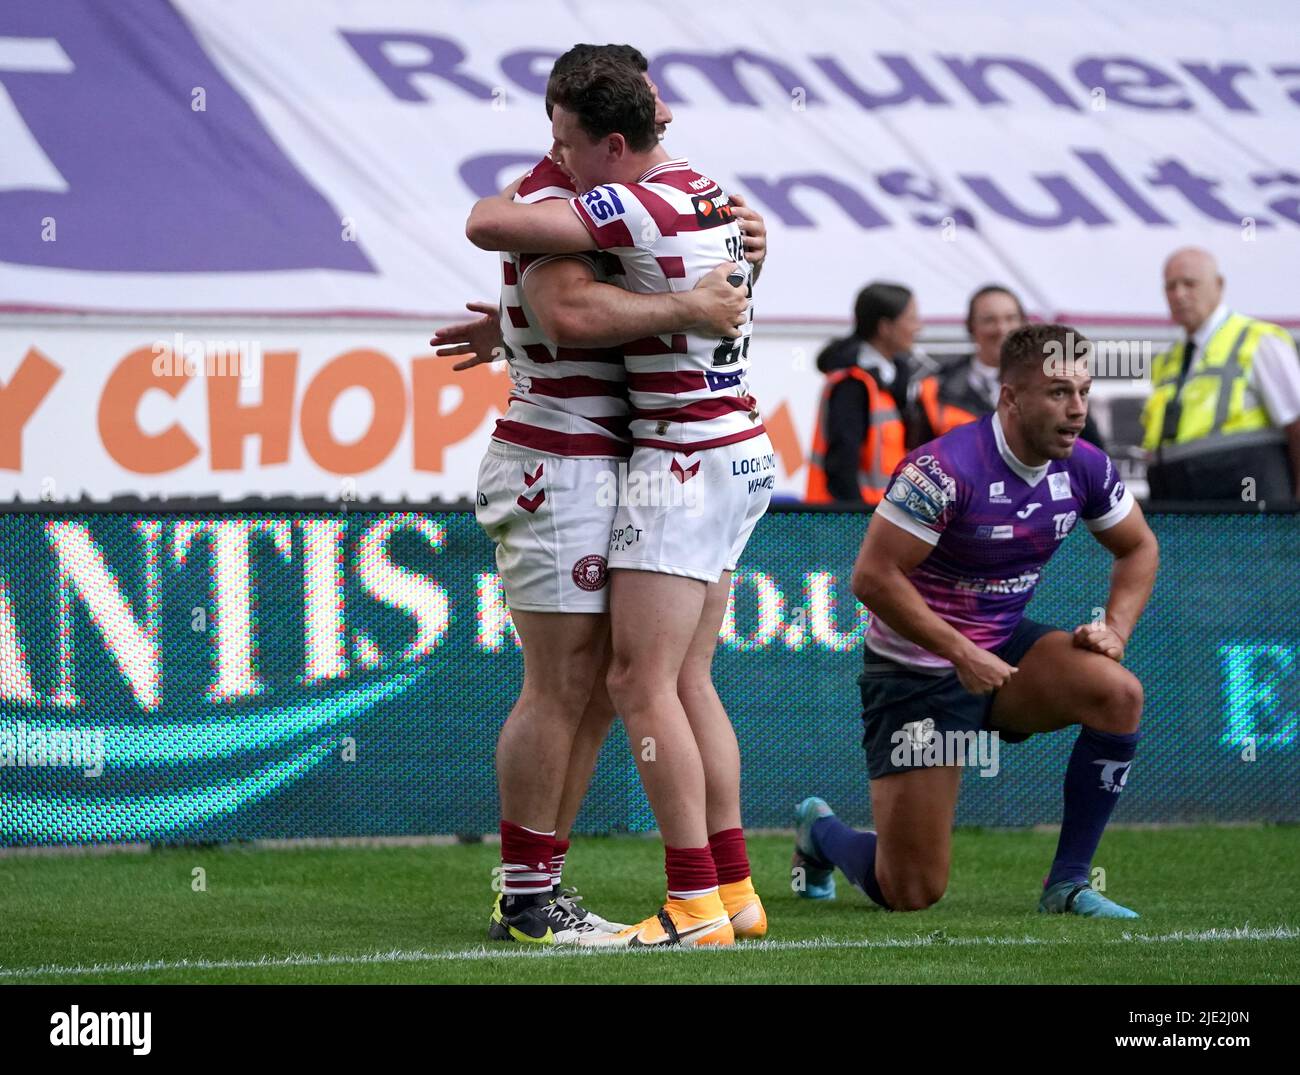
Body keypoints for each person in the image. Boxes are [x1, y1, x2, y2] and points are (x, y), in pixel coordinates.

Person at [434, 43, 766, 946]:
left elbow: (612, 284)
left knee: (611, 687)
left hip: (630, 458)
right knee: (573, 683)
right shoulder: (556, 199)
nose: (667, 114)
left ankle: (574, 888)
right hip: (560, 462)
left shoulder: (616, 193)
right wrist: (692, 304)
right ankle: (538, 896)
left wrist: (508, 325)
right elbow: (570, 311)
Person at [794, 323, 1159, 918]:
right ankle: (820, 832)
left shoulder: (1086, 468)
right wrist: (960, 653)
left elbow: (1138, 548)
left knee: (1118, 693)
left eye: (1083, 393)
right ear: (1010, 398)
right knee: (910, 892)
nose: (1077, 410)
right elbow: (872, 578)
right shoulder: (944, 470)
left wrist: (1115, 628)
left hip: (1002, 651)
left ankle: (1067, 885)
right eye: (1058, 393)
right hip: (918, 671)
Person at [1142, 246, 1300, 504]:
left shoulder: (1258, 340)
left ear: (1218, 285)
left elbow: (1297, 421)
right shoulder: (1169, 358)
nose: (1179, 295)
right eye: (1170, 286)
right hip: (1178, 499)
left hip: (1243, 500)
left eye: (1189, 284)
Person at [916, 285, 1105, 450]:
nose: (1001, 329)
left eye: (1010, 318)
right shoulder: (938, 388)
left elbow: (1092, 451)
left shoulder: (1057, 382)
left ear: (1023, 324)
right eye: (989, 320)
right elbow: (918, 458)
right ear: (971, 327)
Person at [805, 282, 926, 505]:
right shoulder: (852, 383)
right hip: (850, 523)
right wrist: (856, 518)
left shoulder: (893, 378)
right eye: (910, 319)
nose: (918, 327)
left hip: (880, 515)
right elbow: (842, 466)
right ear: (885, 327)